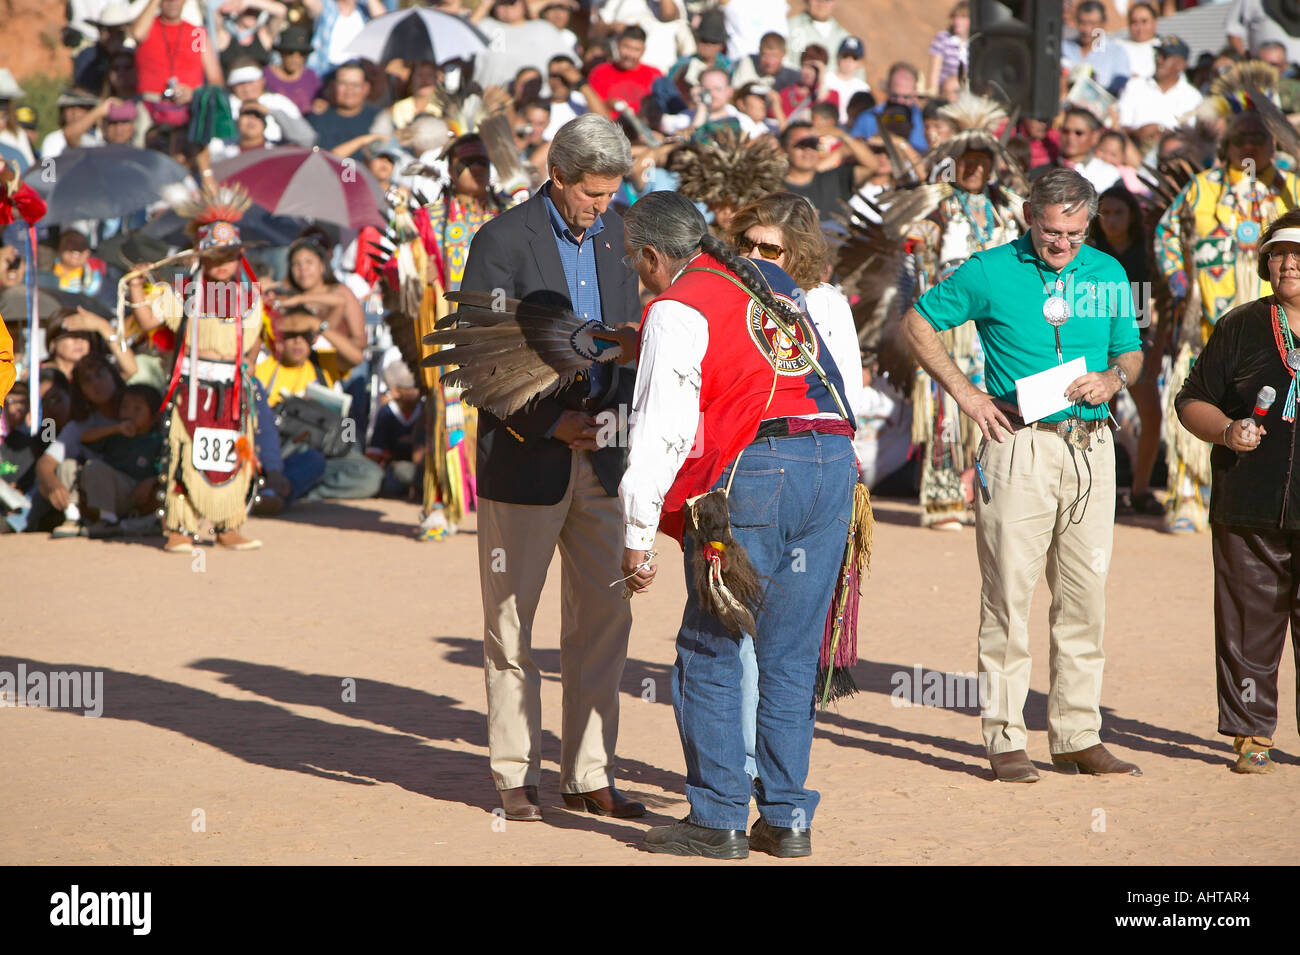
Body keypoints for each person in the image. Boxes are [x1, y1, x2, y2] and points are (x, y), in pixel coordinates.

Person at [618, 189, 855, 858]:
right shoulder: (767, 279)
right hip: (832, 460)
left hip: (759, 471)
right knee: (787, 651)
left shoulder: (675, 306)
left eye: (639, 265)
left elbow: (660, 433)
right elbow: (753, 360)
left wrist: (636, 540)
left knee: (713, 644)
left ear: (652, 256)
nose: (640, 277)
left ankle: (719, 816)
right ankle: (785, 818)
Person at [901, 168, 1145, 783]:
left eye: (1074, 232)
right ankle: (1006, 737)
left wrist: (1115, 379)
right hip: (1019, 447)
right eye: (1050, 230)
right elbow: (917, 323)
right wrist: (966, 394)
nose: (1062, 244)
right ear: (1028, 218)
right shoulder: (989, 269)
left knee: (1084, 599)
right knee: (1009, 595)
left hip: (1092, 446)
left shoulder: (1108, 273)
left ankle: (1077, 735)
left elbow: (1133, 350)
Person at [457, 114, 643, 822]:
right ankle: (513, 771)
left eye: (611, 191)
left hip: (604, 460)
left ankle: (590, 770)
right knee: (511, 624)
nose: (602, 206)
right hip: (524, 460)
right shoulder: (503, 239)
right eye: (591, 193)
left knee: (605, 620)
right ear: (556, 175)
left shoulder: (626, 237)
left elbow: (639, 337)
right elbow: (476, 359)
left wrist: (615, 418)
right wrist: (545, 422)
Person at [726, 190, 863, 783]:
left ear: (799, 253)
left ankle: (768, 777)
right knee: (742, 627)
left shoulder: (824, 303)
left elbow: (846, 397)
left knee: (785, 635)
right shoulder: (731, 291)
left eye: (771, 248)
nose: (756, 255)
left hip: (808, 470)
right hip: (746, 470)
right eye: (747, 244)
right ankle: (757, 773)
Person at [1174, 209, 1300, 774]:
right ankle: (1252, 735)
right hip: (1248, 505)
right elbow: (1192, 399)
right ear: (1264, 262)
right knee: (1248, 624)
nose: (1290, 263)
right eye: (1279, 253)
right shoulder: (1242, 325)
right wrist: (1227, 431)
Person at [1155, 77, 1300, 532]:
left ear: (1273, 142)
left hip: (1281, 319)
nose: (1249, 145)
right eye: (1240, 138)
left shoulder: (1291, 185)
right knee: (1198, 394)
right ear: (1227, 145)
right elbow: (1166, 235)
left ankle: (1268, 501)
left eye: (1259, 137)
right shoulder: (1202, 188)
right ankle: (1187, 498)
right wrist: (1180, 283)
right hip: (1212, 316)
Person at [898, 91, 1027, 530]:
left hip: (997, 326)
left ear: (993, 163)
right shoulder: (935, 207)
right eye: (966, 160)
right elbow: (910, 259)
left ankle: (986, 493)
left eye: (982, 160)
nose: (974, 169)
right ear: (954, 162)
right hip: (948, 323)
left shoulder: (1008, 207)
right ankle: (942, 499)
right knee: (946, 406)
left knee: (998, 399)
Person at [140, 181, 265, 553]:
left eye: (230, 257)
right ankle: (179, 526)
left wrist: (249, 371)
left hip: (232, 390)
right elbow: (150, 323)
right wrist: (137, 288)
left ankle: (228, 524)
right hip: (193, 389)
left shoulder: (249, 296)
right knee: (184, 453)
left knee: (233, 453)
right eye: (217, 256)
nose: (224, 265)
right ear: (202, 256)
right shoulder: (183, 291)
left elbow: (254, 341)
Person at [1088, 185, 1162, 518]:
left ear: (1132, 216)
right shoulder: (1089, 252)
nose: (1112, 220)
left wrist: (1157, 349)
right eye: (1106, 212)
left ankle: (1141, 490)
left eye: (1119, 212)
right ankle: (1105, 489)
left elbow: (1162, 306)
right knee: (1102, 417)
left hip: (1137, 343)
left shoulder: (1148, 255)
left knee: (1152, 415)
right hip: (1095, 343)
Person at [131, 0, 225, 127]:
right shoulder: (148, 28)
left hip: (188, 106)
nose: (172, 3)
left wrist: (193, 94)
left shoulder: (196, 34)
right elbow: (137, 34)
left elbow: (215, 79)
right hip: (151, 104)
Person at [1117, 36, 1203, 139]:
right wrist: (1138, 133)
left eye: (1165, 56)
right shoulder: (1134, 86)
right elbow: (1120, 126)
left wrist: (1163, 133)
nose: (1158, 60)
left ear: (1180, 65)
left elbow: (1190, 136)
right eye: (1157, 54)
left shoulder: (1193, 97)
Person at [1031, 106, 1120, 194]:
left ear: (1095, 136)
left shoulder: (1110, 175)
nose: (1070, 138)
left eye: (1078, 133)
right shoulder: (1041, 174)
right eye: (1066, 131)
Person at [848, 62, 929, 154]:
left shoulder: (924, 121)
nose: (900, 101)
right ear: (888, 90)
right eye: (895, 96)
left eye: (906, 97)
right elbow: (852, 149)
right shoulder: (869, 118)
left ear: (915, 94)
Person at [1060, 0, 1131, 98]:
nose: (1087, 30)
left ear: (1103, 24)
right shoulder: (1064, 47)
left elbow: (1119, 85)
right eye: (1082, 23)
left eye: (1092, 24)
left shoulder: (1116, 52)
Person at [307, 61, 380, 152]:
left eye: (355, 85)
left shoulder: (379, 119)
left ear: (366, 88)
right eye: (343, 83)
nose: (349, 90)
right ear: (333, 86)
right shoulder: (316, 118)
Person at [588, 25, 663, 114]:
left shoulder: (654, 75)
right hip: (608, 126)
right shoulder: (599, 72)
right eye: (626, 47)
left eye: (636, 49)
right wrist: (608, 104)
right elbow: (593, 110)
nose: (629, 54)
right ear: (618, 45)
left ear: (643, 50)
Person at [263, 25, 320, 115]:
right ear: (281, 53)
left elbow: (320, 100)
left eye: (302, 54)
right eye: (290, 53)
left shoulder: (311, 76)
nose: (295, 59)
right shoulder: (266, 76)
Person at [785, 0, 850, 69]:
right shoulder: (789, 27)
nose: (822, 3)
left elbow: (855, 73)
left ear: (835, 2)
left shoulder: (844, 37)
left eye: (827, 0)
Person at [927, 2, 970, 95]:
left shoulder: (977, 43)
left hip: (969, 91)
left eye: (962, 17)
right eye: (955, 17)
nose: (957, 21)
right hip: (946, 92)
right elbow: (934, 73)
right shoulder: (943, 38)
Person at [1118, 2, 1161, 81]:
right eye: (1134, 22)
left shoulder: (1164, 48)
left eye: (1144, 21)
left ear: (1154, 23)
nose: (1139, 27)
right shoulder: (1118, 46)